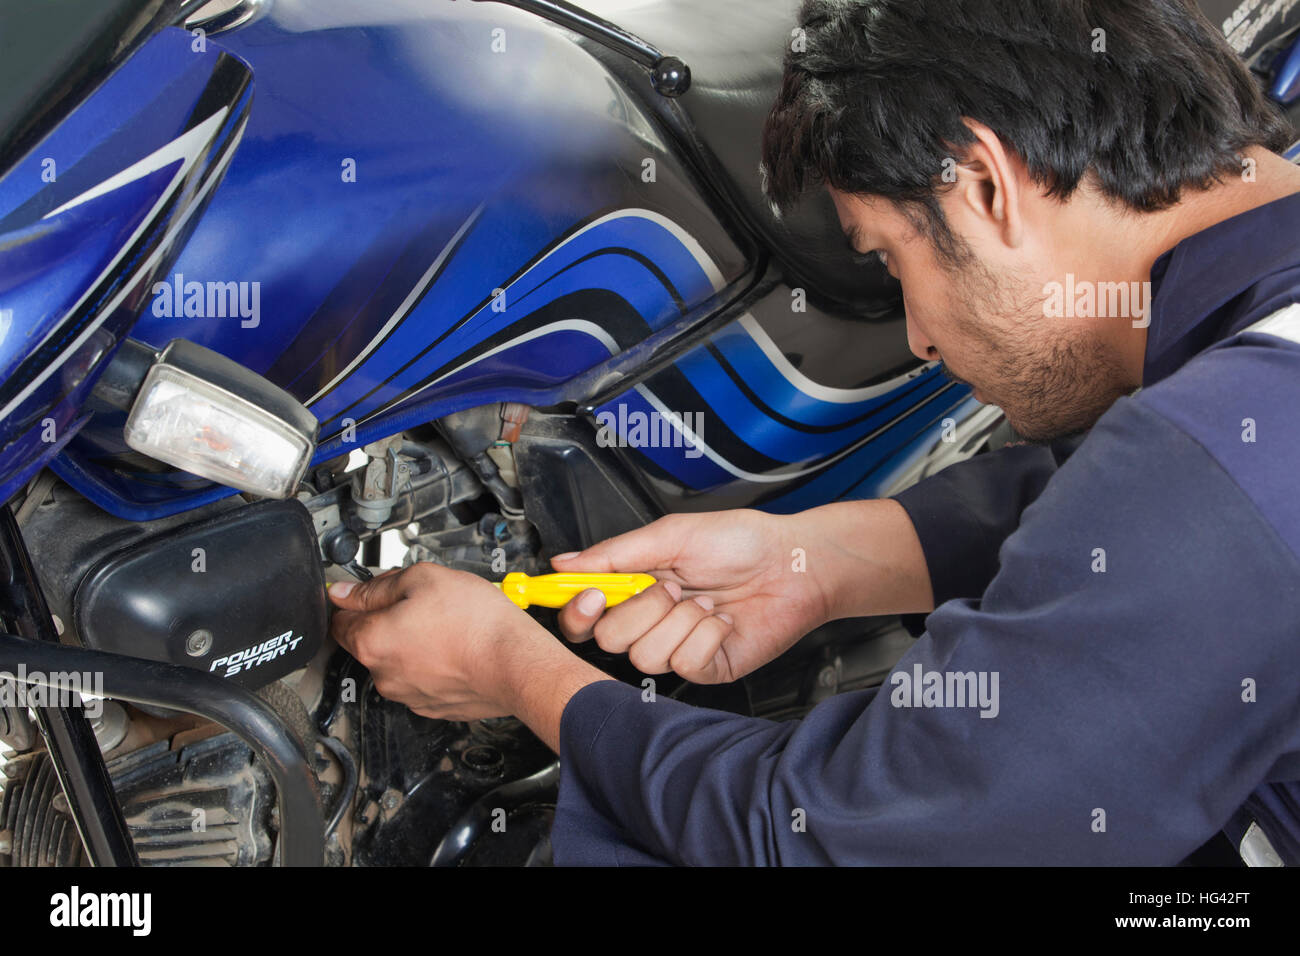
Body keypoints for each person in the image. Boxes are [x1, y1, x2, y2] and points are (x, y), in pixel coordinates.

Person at [327, 0, 1300, 865]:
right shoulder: (1250, 386)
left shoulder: (1219, 461)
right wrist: (818, 559)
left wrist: (511, 667)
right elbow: (1157, 526)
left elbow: (826, 828)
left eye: (891, 259)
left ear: (985, 187)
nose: (920, 335)